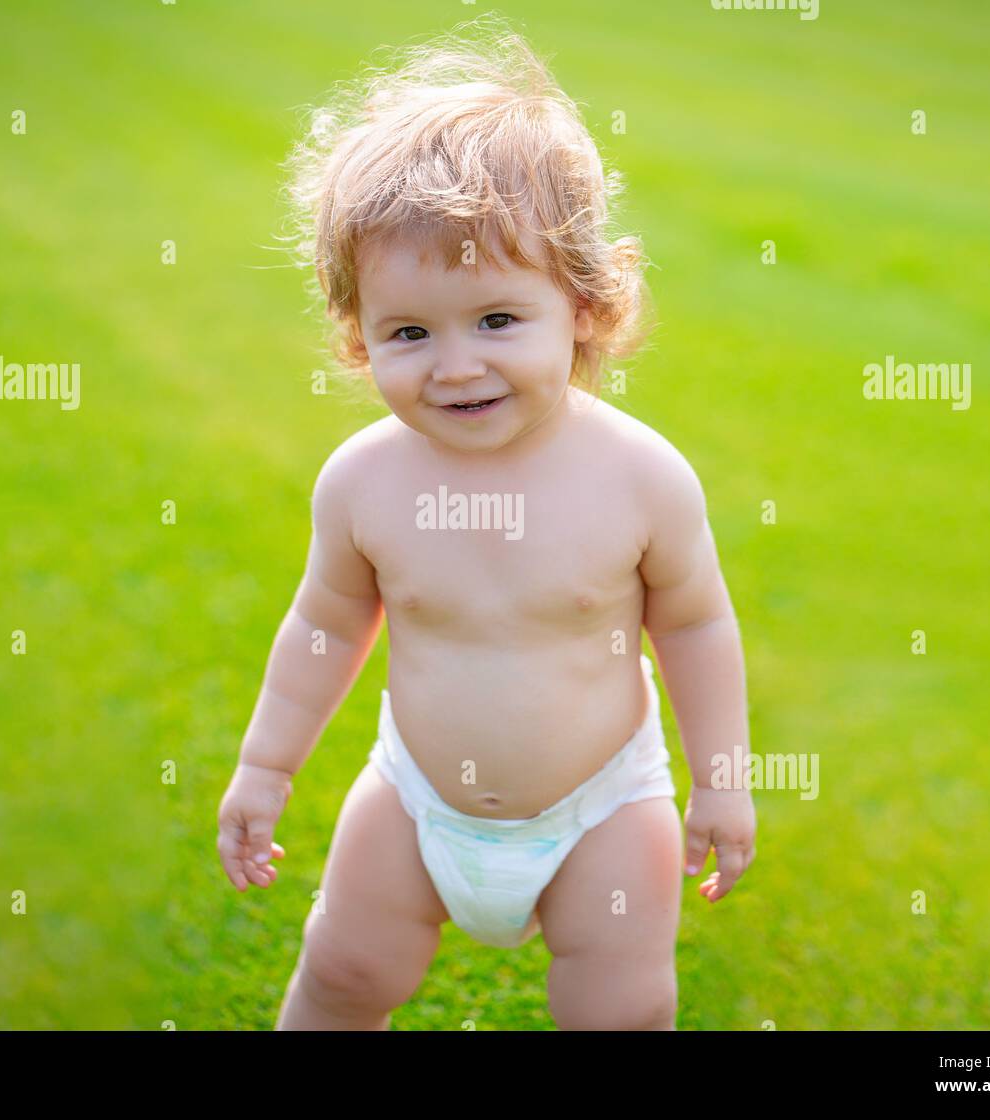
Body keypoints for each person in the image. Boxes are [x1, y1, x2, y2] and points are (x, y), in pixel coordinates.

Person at [217, 14, 756, 1031]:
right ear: (356, 336)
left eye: (497, 320)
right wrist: (265, 762)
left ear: (585, 306)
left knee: (621, 1007)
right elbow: (327, 623)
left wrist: (719, 781)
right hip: (416, 798)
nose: (455, 365)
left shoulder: (642, 479)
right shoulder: (363, 482)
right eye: (409, 333)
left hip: (601, 805)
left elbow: (691, 625)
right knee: (340, 975)